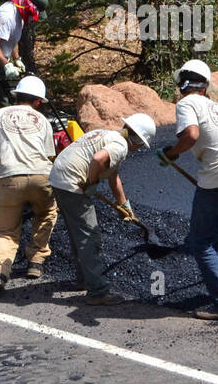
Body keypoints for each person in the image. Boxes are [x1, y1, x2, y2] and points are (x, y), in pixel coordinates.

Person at [161, 60, 218, 321]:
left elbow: (190, 135)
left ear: (183, 85)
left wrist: (170, 153)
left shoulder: (187, 103)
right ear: (205, 86)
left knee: (201, 242)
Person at [48, 113, 155, 306]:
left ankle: (83, 279)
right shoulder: (120, 146)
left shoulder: (106, 134)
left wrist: (124, 205)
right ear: (137, 139)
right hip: (73, 184)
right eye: (141, 144)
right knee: (89, 236)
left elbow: (113, 176)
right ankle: (97, 291)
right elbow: (98, 159)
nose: (139, 148)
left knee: (77, 232)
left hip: (58, 178)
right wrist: (91, 182)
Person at [0, 75, 59, 295]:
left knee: (5, 230)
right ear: (38, 101)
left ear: (17, 96)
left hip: (10, 178)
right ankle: (36, 262)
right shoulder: (42, 121)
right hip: (42, 177)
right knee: (46, 214)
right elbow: (50, 156)